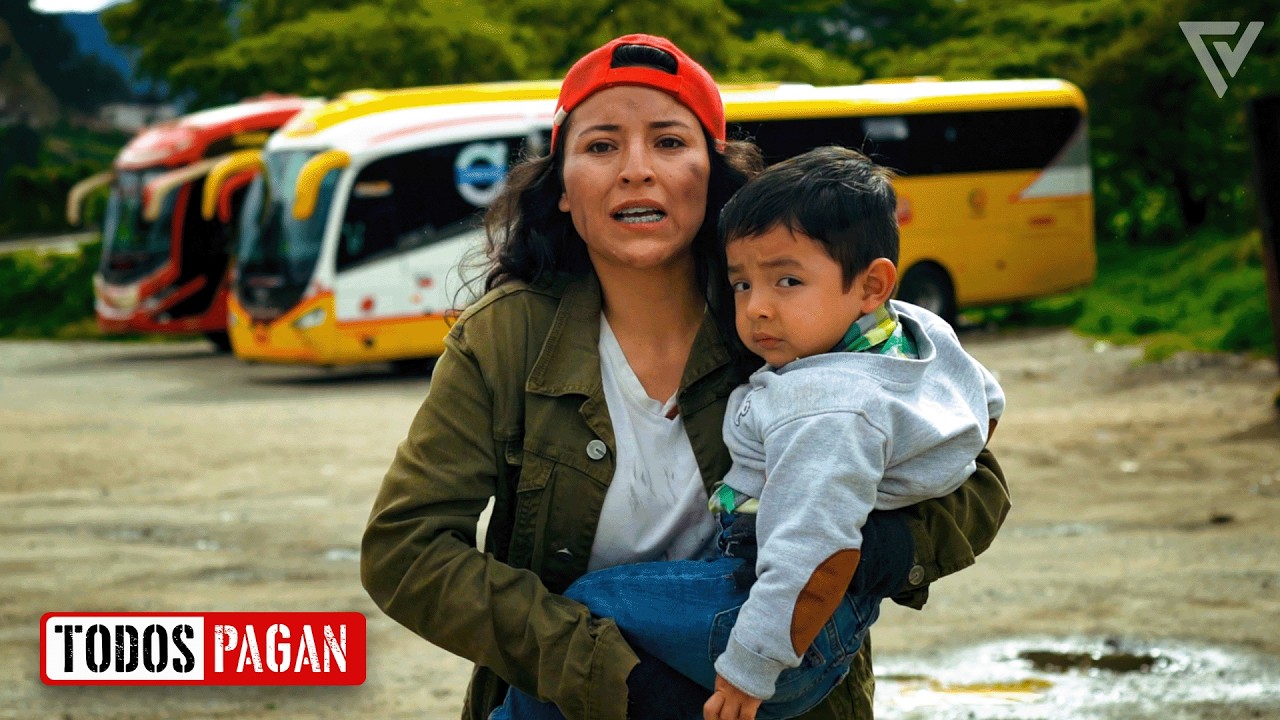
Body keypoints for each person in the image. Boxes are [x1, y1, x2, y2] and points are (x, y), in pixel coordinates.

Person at [361, 33, 1012, 720]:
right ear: (563, 190)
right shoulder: (502, 339)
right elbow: (406, 550)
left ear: (714, 175)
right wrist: (616, 680)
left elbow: (974, 480)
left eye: (669, 142)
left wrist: (867, 552)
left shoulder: (804, 313)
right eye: (601, 146)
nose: (636, 170)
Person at [489, 147, 1005, 720]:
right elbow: (985, 404)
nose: (757, 308)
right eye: (740, 284)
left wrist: (748, 674)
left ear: (871, 284)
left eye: (787, 280)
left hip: (779, 630)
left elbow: (812, 555)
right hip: (815, 624)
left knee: (585, 609)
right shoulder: (916, 329)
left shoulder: (826, 409)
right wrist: (920, 463)